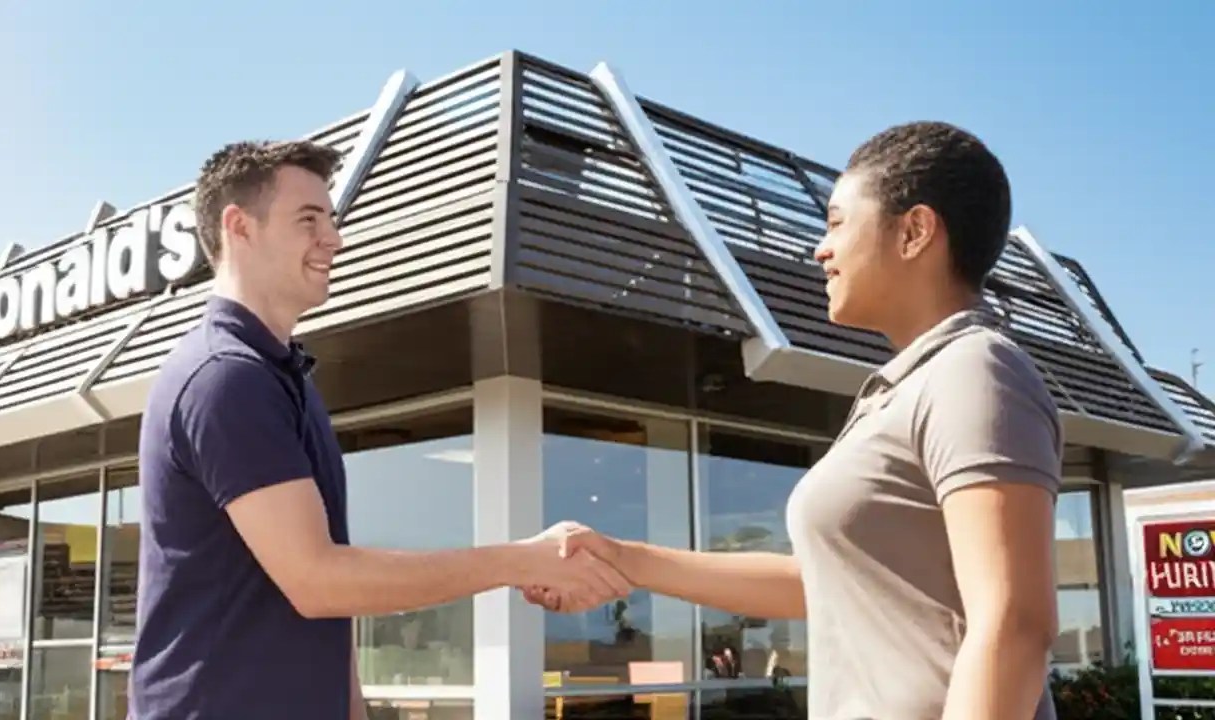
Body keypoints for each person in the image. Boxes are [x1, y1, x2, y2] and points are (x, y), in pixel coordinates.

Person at [526, 121, 1061, 720]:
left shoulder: (975, 370)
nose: (820, 249)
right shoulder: (901, 391)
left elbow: (1015, 621)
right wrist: (623, 557)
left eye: (836, 223)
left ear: (914, 231)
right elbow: (819, 582)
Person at [130, 140, 630, 720]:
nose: (334, 239)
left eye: (331, 220)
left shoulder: (282, 379)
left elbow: (328, 593)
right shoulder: (224, 378)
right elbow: (319, 581)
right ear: (240, 227)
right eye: (309, 220)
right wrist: (523, 560)